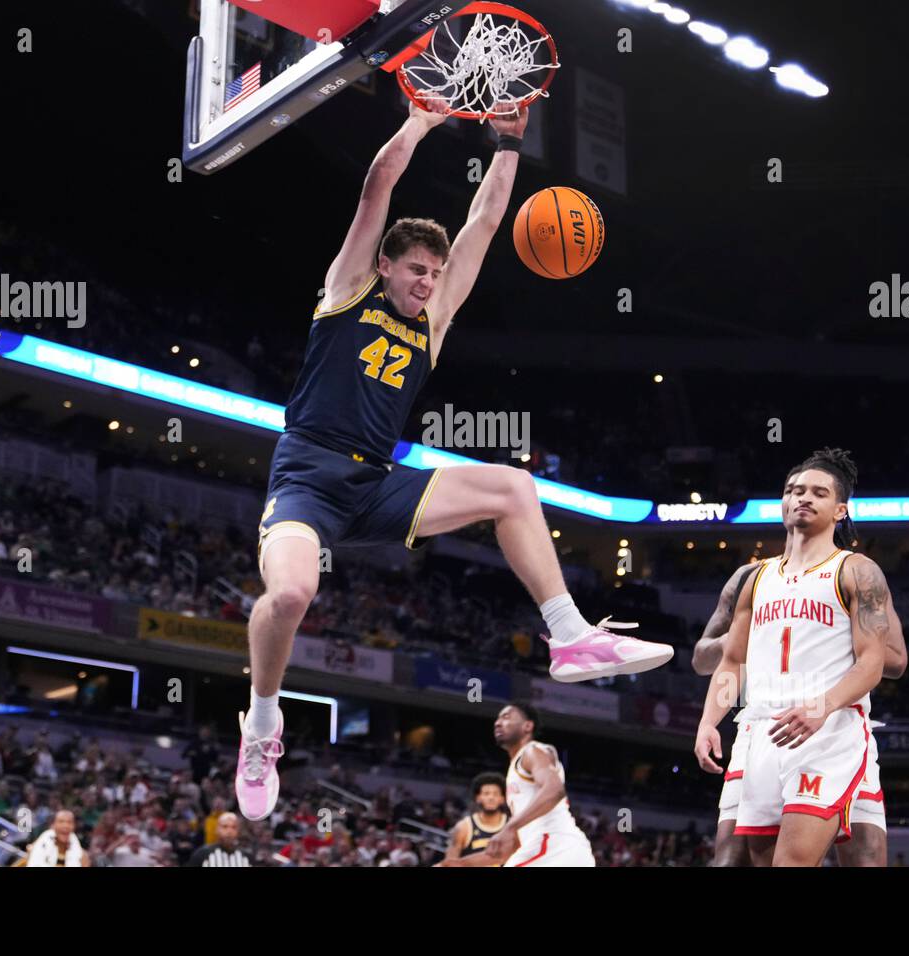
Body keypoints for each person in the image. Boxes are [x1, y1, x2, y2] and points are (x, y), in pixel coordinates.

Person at [237, 92, 673, 822]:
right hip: (308, 475)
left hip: (377, 483)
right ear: (384, 266)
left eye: (433, 273)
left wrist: (507, 145)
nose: (426, 281)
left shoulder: (434, 320)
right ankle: (261, 723)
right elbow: (379, 183)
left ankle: (568, 635)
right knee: (289, 596)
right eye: (414, 270)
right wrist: (420, 122)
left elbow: (484, 225)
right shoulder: (347, 292)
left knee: (512, 486)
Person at [694, 471, 908, 868]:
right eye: (794, 491)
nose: (802, 498)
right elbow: (733, 660)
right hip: (762, 730)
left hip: (829, 725)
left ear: (840, 510)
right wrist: (709, 721)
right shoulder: (755, 578)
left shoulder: (858, 570)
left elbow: (875, 663)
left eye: (818, 493)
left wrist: (822, 705)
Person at [438, 703, 594, 867]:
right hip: (557, 850)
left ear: (527, 726)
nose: (497, 722)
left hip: (554, 845)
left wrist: (509, 827)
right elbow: (508, 849)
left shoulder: (532, 751)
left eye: (506, 717)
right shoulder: (516, 776)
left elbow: (554, 790)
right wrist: (460, 863)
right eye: (497, 719)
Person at [444, 772, 508, 865]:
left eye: (495, 794)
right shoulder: (463, 827)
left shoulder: (512, 825)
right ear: (478, 798)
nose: (491, 797)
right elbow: (449, 863)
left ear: (502, 799)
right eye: (486, 793)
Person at [25, 809, 89, 867]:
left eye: (69, 822)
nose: (65, 826)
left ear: (74, 826)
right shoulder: (45, 839)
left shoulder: (76, 845)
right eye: (61, 821)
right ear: (53, 825)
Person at [186, 812, 252, 867]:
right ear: (217, 830)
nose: (229, 831)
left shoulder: (246, 856)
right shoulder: (202, 854)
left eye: (233, 827)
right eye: (225, 826)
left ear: (238, 831)